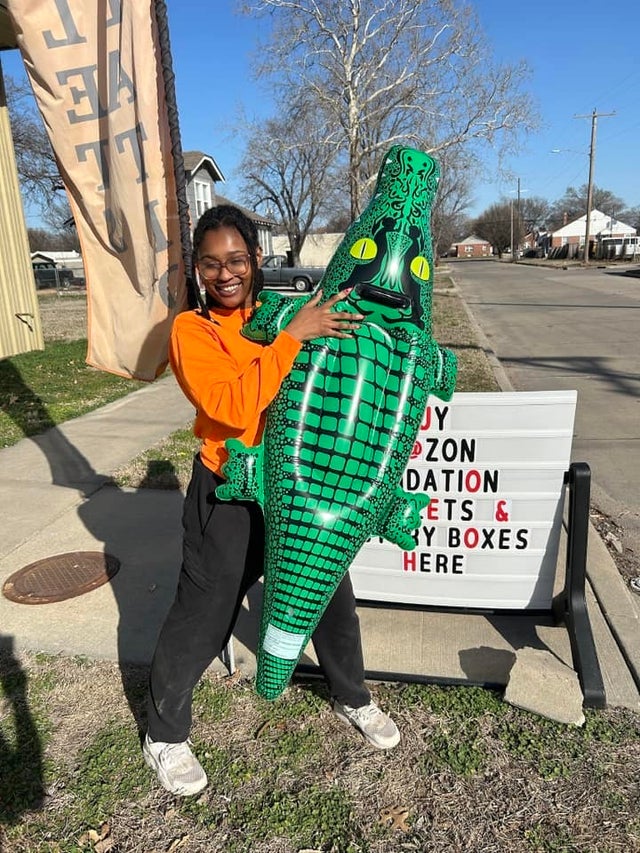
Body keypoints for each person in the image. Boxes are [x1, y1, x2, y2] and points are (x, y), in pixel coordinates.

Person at [143, 204, 400, 797]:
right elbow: (231, 407)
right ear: (198, 270)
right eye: (211, 264)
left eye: (236, 259)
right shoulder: (192, 331)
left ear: (257, 259)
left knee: (333, 604)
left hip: (303, 485)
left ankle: (353, 697)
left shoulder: (285, 311)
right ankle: (165, 733)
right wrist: (290, 339)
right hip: (231, 489)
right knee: (204, 617)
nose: (225, 274)